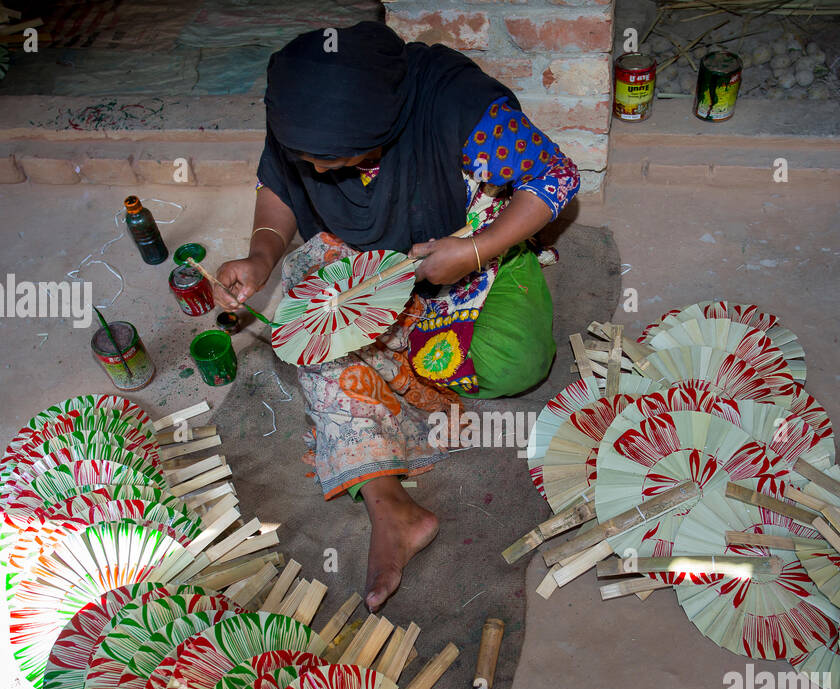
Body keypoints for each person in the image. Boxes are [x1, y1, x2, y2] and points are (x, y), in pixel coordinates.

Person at [214, 20, 580, 612]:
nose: (322, 172)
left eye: (333, 161)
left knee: (518, 366)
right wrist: (260, 255)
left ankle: (427, 334)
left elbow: (556, 178)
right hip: (358, 260)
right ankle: (391, 505)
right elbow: (277, 186)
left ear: (382, 126)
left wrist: (475, 250)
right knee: (314, 342)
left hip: (460, 247)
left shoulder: (455, 103)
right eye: (308, 160)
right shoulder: (304, 112)